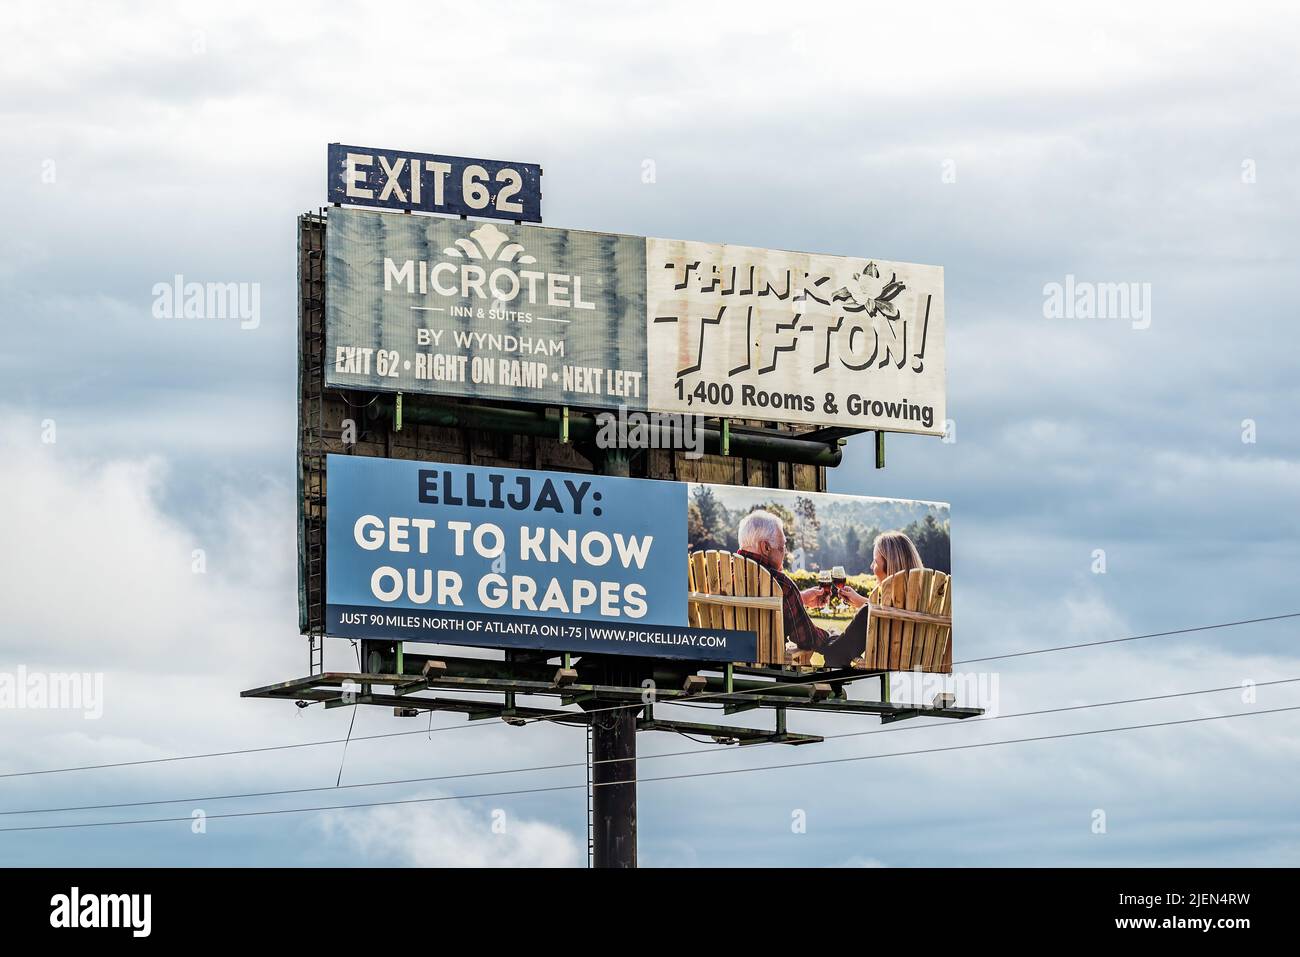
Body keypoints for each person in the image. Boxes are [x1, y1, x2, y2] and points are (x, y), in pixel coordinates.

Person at [735, 510, 832, 654]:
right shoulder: (781, 584)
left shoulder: (717, 572)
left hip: (721, 658)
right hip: (765, 663)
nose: (785, 553)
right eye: (783, 547)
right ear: (766, 547)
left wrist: (800, 598)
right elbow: (807, 638)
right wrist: (830, 635)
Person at [822, 530, 924, 668]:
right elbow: (889, 611)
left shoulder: (871, 613)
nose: (871, 566)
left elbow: (836, 655)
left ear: (891, 567)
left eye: (875, 561)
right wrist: (864, 602)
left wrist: (832, 636)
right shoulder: (924, 606)